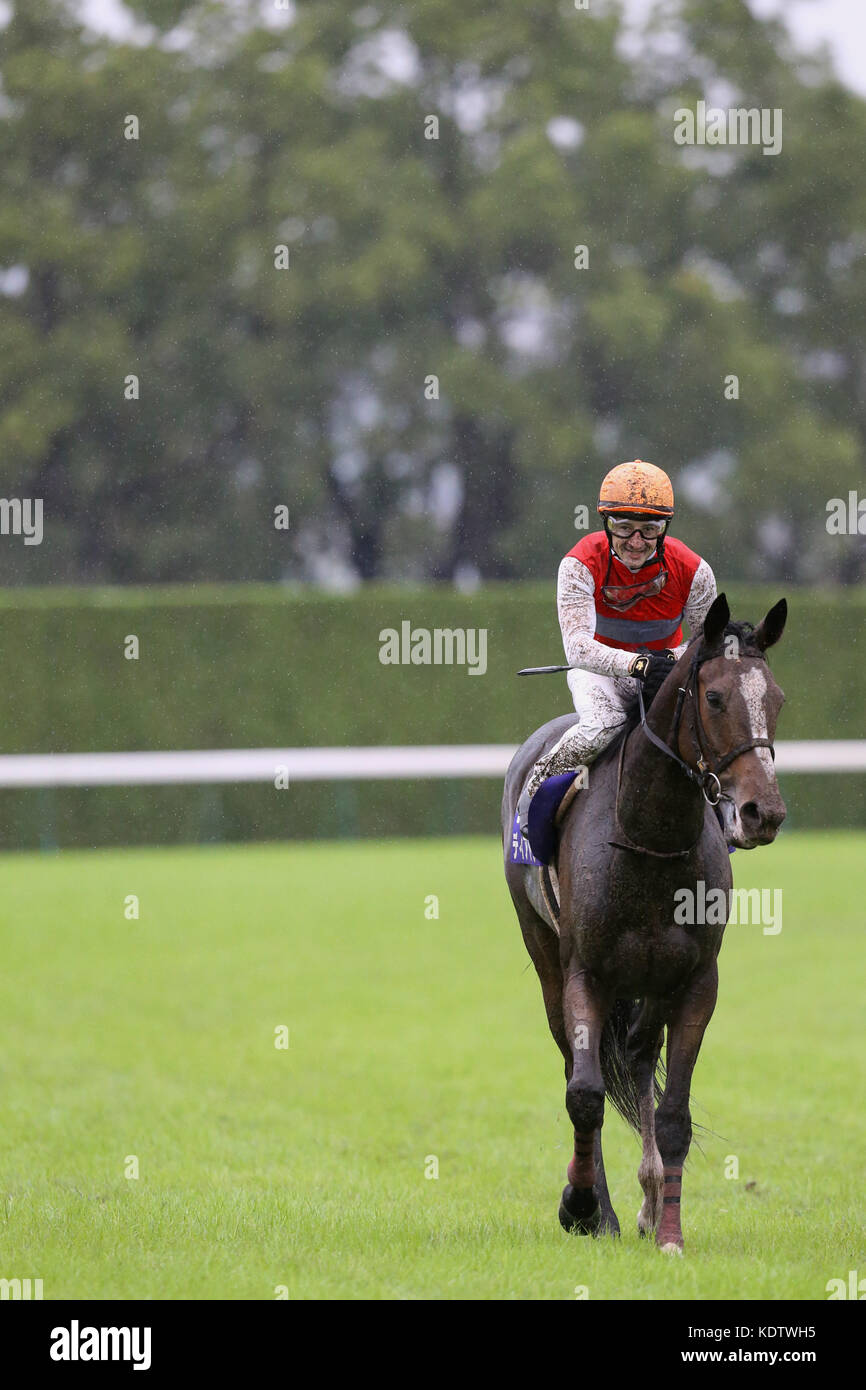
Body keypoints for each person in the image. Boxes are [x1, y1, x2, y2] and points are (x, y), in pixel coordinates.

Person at [518, 459, 718, 840]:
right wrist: (638, 663)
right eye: (624, 528)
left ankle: (727, 826)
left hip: (664, 673)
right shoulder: (579, 564)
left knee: (710, 736)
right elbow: (577, 648)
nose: (637, 541)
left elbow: (709, 641)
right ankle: (531, 800)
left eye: (649, 529)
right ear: (606, 523)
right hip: (600, 674)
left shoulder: (694, 570)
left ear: (665, 528)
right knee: (600, 728)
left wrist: (670, 661)